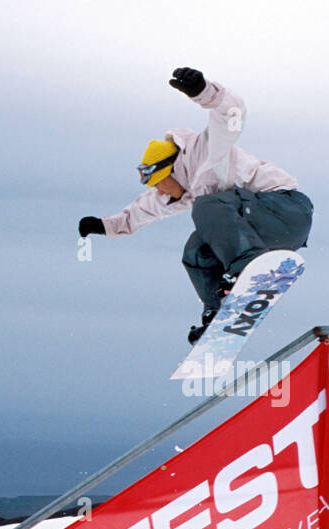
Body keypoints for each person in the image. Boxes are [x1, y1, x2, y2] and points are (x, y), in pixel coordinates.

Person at [79, 68, 313, 344]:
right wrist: (105, 226)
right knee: (196, 251)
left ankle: (248, 268)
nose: (158, 190)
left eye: (159, 182)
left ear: (173, 169)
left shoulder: (207, 150)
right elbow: (144, 209)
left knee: (206, 207)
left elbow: (232, 112)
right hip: (263, 231)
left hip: (287, 209)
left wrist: (202, 90)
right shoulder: (189, 189)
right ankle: (219, 313)